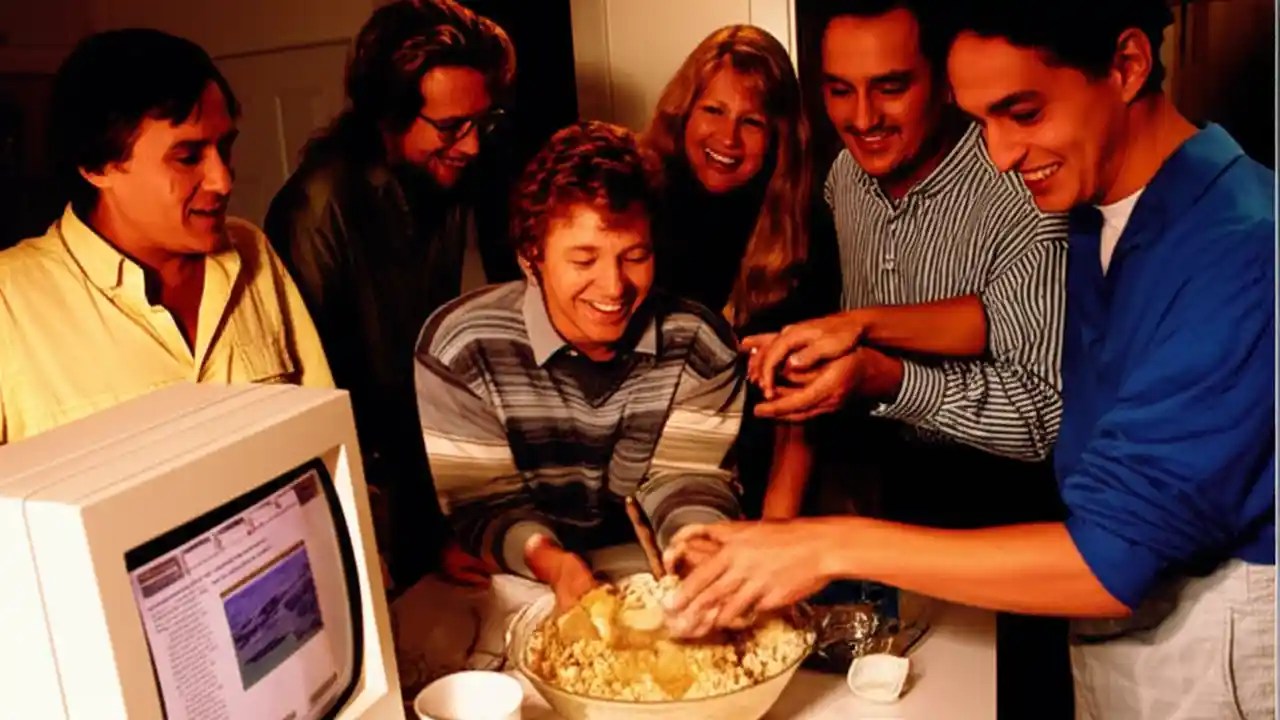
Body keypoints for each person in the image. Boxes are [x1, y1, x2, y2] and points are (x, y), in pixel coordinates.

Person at [665, 2, 1275, 718]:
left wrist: (820, 545)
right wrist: (859, 323)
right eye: (981, 120)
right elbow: (1003, 313)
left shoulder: (1240, 250)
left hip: (1210, 638)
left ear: (1127, 65)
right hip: (1128, 628)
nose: (1001, 155)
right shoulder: (1108, 203)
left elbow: (1110, 558)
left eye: (1022, 112)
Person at [746, 0, 1068, 527]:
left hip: (1006, 513)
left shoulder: (1026, 191)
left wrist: (890, 379)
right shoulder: (843, 179)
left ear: (945, 82)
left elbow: (1042, 420)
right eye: (840, 90)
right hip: (873, 500)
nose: (864, 118)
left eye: (891, 87)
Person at [414, 121, 746, 609]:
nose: (614, 288)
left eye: (634, 256)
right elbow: (485, 507)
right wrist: (552, 561)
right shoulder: (462, 350)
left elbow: (689, 483)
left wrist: (696, 555)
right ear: (532, 257)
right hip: (522, 577)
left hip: (658, 574)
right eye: (584, 260)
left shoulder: (701, 345)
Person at [264, 0, 522, 589]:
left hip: (429, 499)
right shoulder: (317, 209)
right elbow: (330, 408)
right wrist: (418, 541)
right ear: (388, 115)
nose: (473, 146)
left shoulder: (449, 180)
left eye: (481, 122)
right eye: (451, 127)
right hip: (367, 511)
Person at [0, 29, 332, 445]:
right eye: (188, 157)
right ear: (97, 165)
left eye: (225, 148)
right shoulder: (9, 304)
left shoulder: (251, 250)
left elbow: (323, 435)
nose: (223, 180)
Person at [643, 25, 841, 519]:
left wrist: (776, 524)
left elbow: (800, 405)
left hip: (753, 481)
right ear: (683, 110)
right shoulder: (636, 199)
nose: (727, 138)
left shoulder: (807, 226)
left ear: (779, 135)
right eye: (713, 110)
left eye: (751, 122)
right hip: (633, 484)